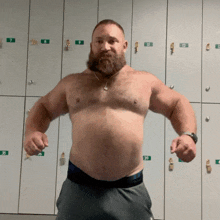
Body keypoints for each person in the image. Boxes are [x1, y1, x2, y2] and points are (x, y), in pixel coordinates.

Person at [24, 19, 197, 220]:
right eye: (99, 41)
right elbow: (44, 106)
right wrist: (32, 131)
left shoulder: (144, 81)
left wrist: (188, 135)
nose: (105, 46)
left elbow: (177, 103)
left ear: (124, 46)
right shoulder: (72, 83)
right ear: (91, 46)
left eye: (112, 41)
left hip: (129, 188)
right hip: (80, 186)